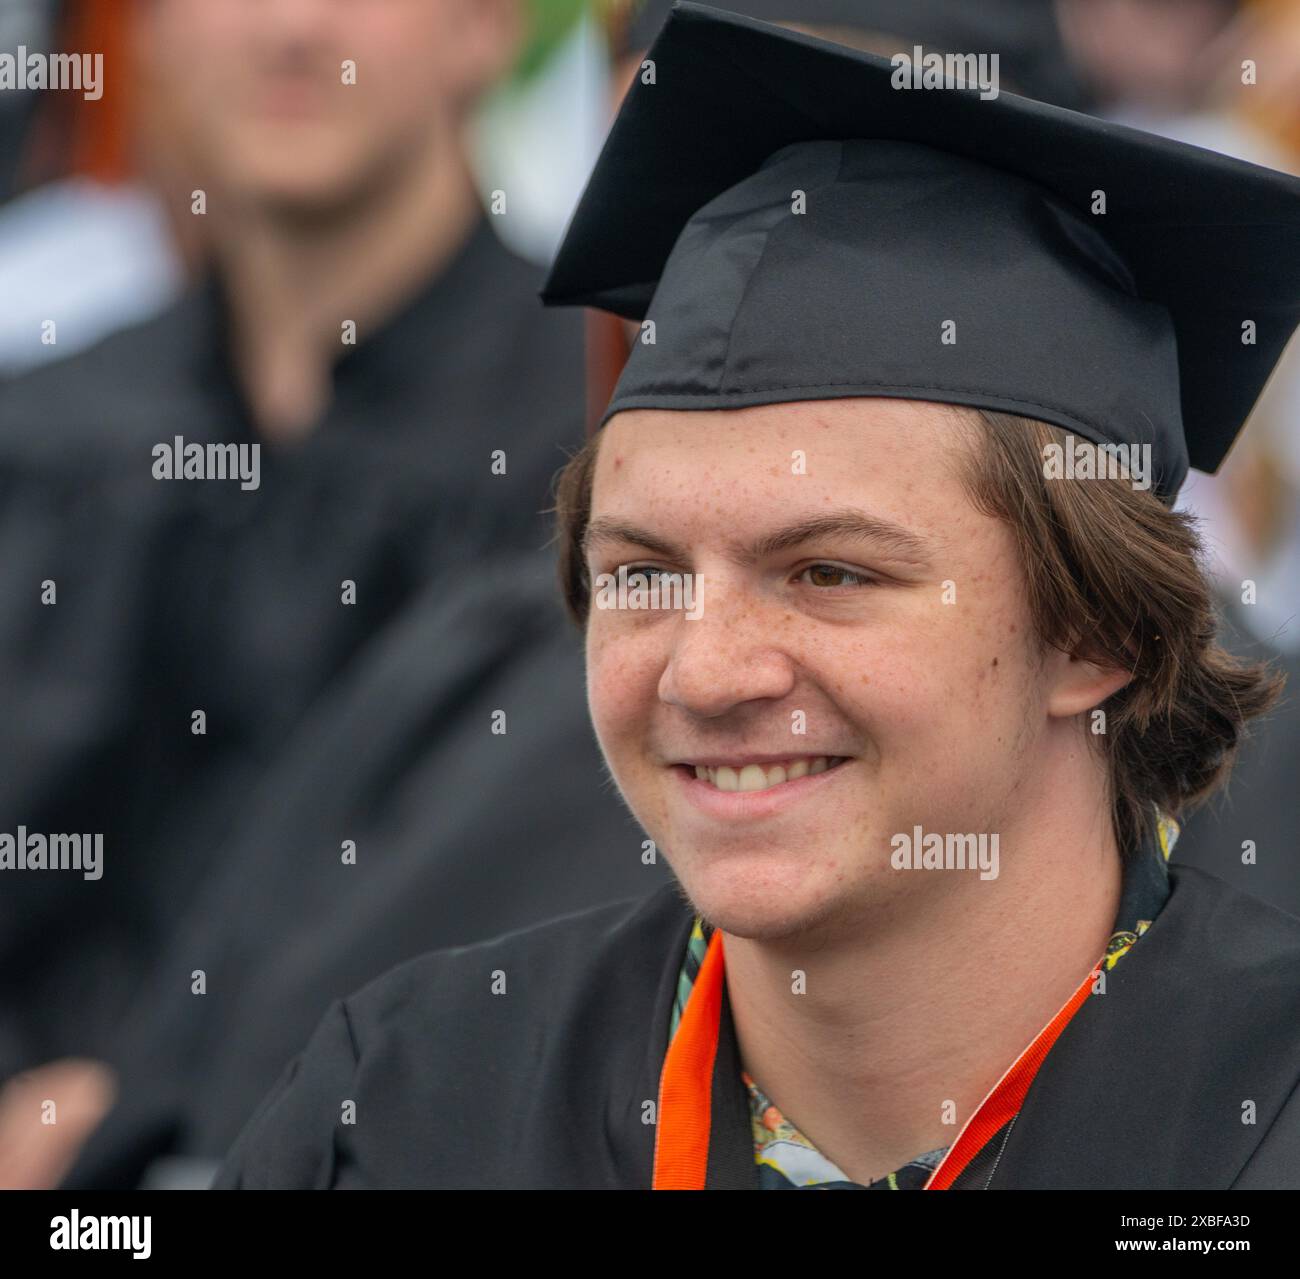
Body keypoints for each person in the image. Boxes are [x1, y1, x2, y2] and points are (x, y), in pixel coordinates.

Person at [214, 5, 1300, 1190]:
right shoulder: (406, 1110)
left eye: (829, 573)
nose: (705, 670)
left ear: (1098, 627)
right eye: (643, 573)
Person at [0, 0, 662, 1189]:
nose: (292, 26)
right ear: (143, 33)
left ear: (487, 31)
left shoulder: (608, 449)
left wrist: (153, 1113)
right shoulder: (47, 435)